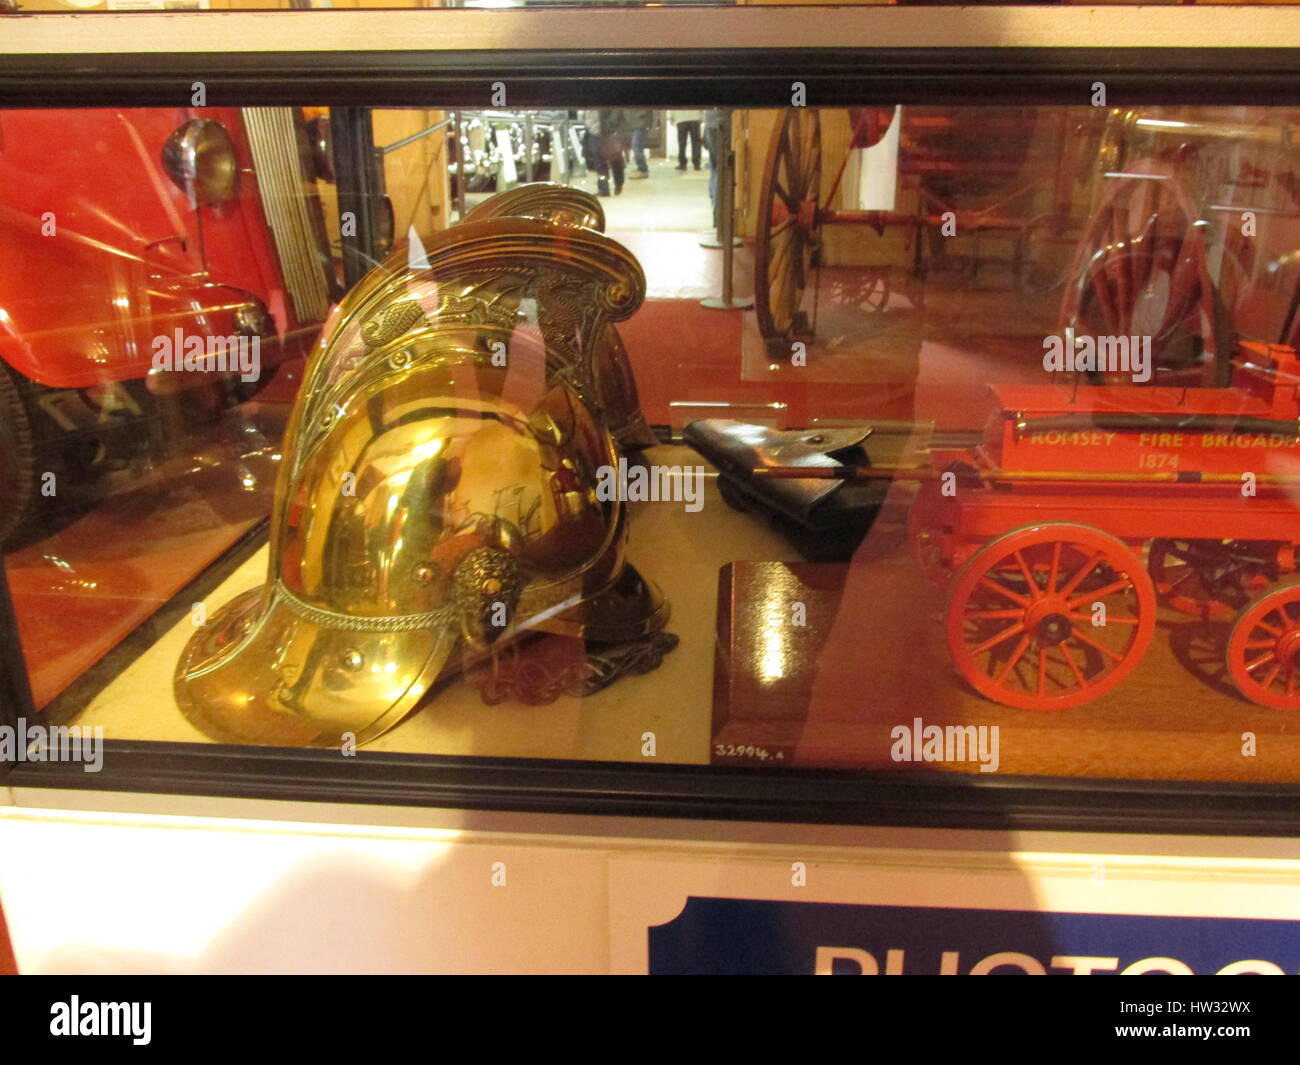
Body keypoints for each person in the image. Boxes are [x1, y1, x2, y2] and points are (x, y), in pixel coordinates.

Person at [582, 110, 627, 197]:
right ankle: (603, 189)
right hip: (593, 133)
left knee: (615, 160)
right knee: (599, 163)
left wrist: (611, 125)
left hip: (608, 132)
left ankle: (618, 183)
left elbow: (617, 112)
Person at [626, 109, 653, 180]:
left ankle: (642, 170)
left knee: (636, 146)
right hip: (637, 125)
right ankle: (641, 168)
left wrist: (647, 124)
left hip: (641, 125)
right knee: (637, 147)